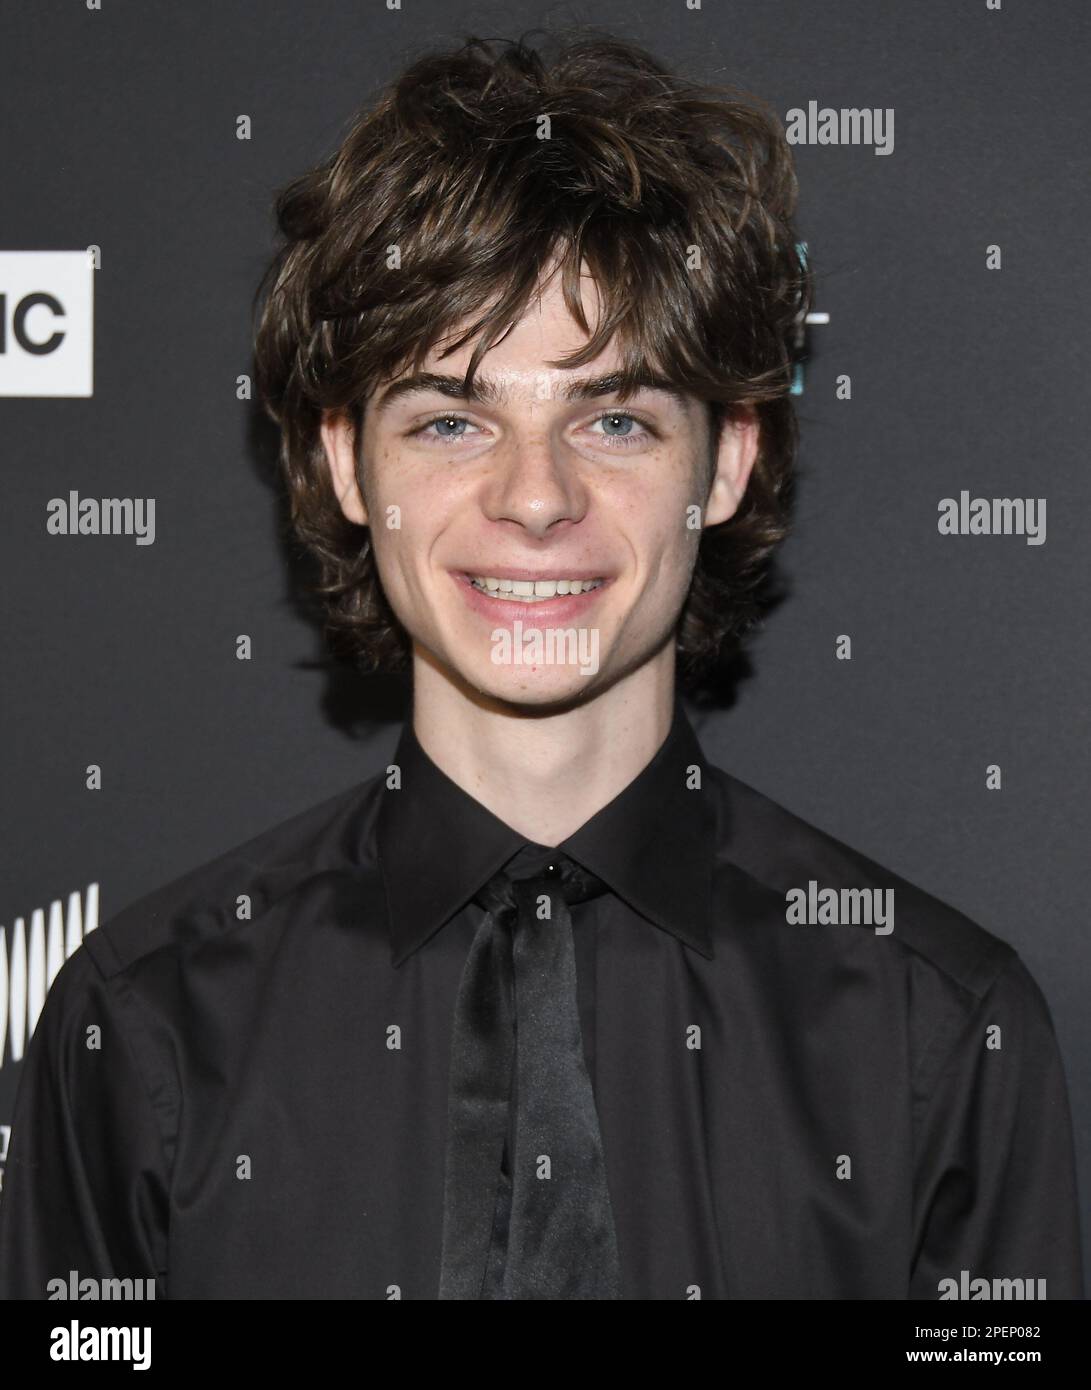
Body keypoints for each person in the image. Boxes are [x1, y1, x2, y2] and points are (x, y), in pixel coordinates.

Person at [0, 33, 1082, 1301]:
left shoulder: (936, 1027)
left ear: (727, 459)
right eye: (452, 419)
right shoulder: (141, 1026)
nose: (533, 497)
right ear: (348, 461)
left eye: (612, 418)